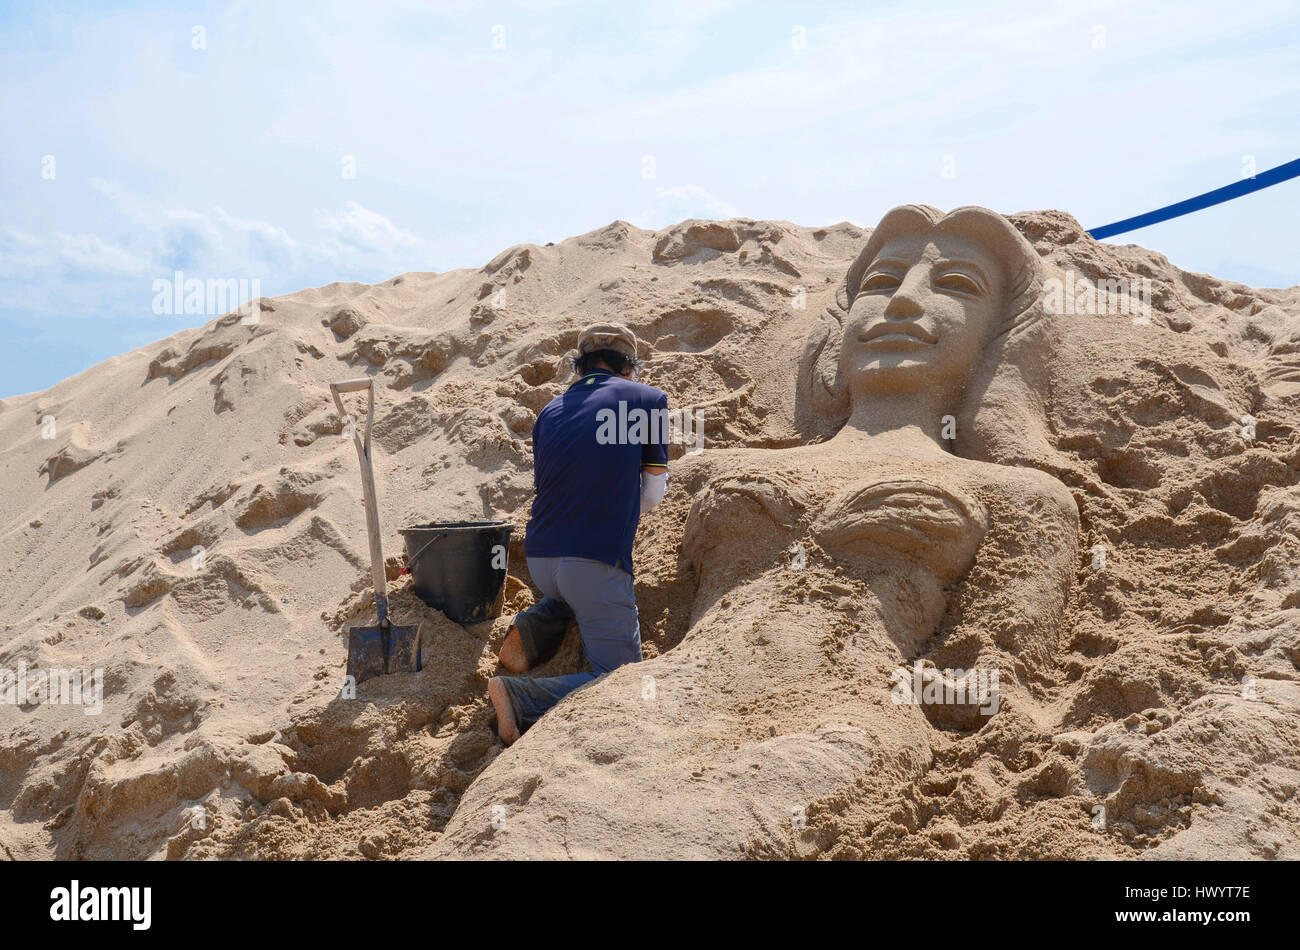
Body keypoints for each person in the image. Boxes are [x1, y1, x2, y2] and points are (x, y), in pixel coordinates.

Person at [488, 323, 669, 744]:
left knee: (577, 590)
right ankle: (518, 697)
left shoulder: (549, 412)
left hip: (542, 558)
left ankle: (533, 632)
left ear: (580, 366)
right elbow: (655, 491)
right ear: (629, 369)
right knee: (619, 678)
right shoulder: (646, 399)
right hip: (592, 560)